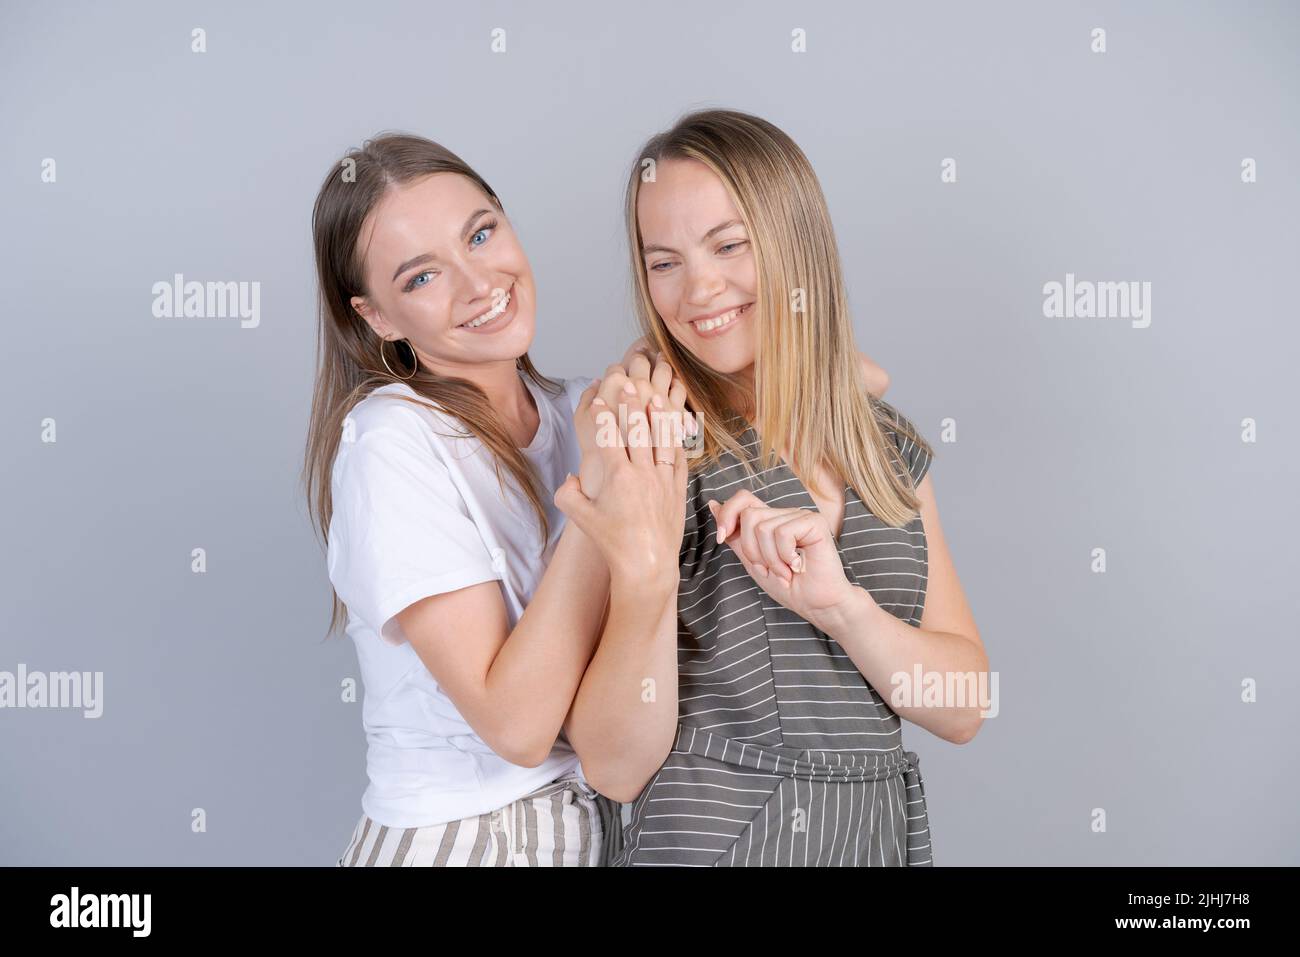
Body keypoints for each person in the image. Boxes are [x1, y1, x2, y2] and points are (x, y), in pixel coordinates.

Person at [560, 109, 988, 866]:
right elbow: (614, 767)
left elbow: (963, 708)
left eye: (729, 245)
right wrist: (646, 574)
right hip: (717, 838)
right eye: (664, 262)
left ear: (797, 243)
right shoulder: (653, 438)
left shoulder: (885, 444)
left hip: (871, 835)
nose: (699, 289)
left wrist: (843, 609)